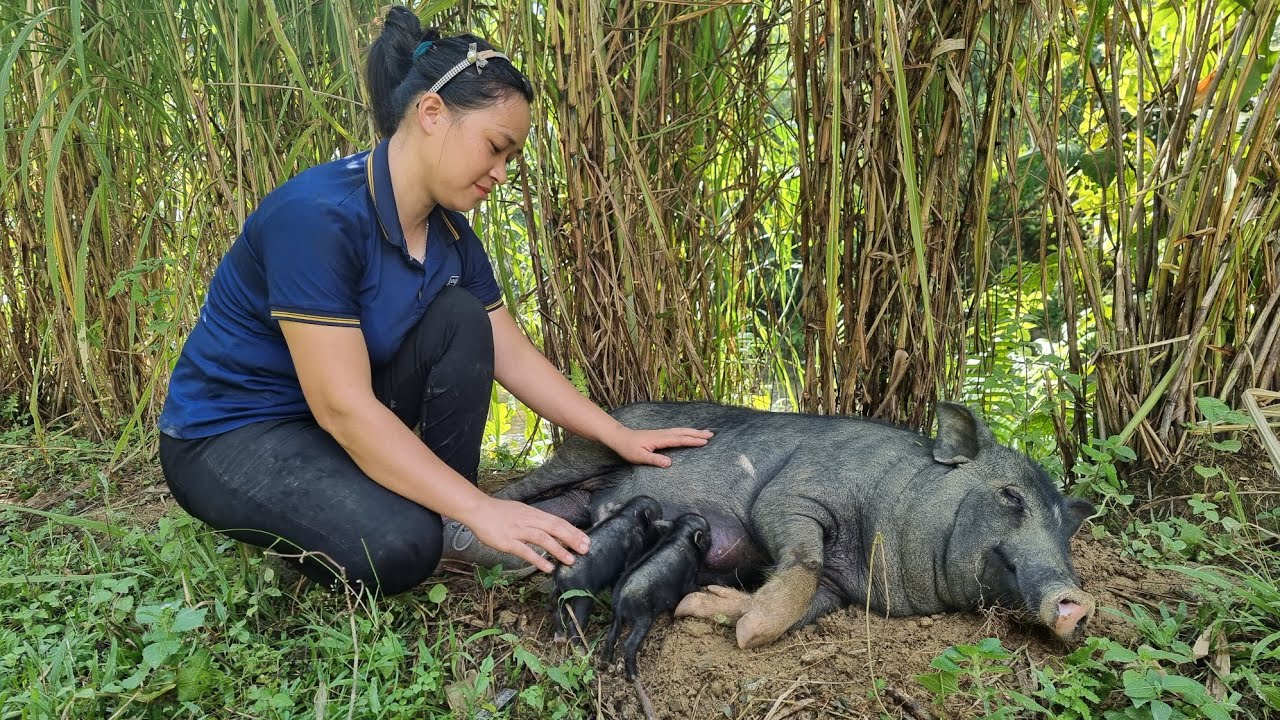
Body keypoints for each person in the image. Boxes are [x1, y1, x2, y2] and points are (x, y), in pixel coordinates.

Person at [156, 5, 712, 595]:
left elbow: (510, 353)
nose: (502, 173)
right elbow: (342, 407)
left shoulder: (451, 236)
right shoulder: (317, 218)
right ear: (431, 113)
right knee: (402, 547)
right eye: (494, 147)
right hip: (231, 433)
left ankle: (450, 520)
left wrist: (614, 432)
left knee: (462, 317)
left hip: (324, 426)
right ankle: (393, 519)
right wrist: (483, 506)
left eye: (511, 159)